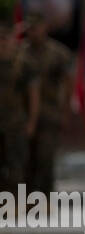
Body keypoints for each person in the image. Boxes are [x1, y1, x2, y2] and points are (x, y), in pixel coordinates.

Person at [22, 12, 75, 195]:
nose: (33, 32)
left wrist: (66, 112)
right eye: (29, 29)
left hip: (49, 114)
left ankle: (44, 197)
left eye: (36, 28)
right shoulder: (21, 53)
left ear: (44, 28)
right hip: (23, 115)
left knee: (45, 157)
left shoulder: (58, 53)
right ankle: (27, 198)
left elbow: (69, 83)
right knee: (26, 159)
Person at [0, 22, 36, 195]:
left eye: (5, 40)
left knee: (17, 164)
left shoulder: (21, 65)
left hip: (15, 122)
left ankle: (15, 201)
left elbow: (33, 95)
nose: (3, 44)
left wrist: (31, 121)